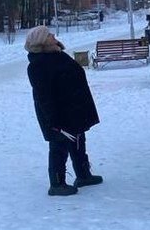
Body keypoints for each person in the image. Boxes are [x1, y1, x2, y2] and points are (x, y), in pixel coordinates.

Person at [25, 26, 103, 197]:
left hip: (74, 110)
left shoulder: (57, 54)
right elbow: (44, 96)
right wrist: (53, 122)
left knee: (78, 141)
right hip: (58, 115)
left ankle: (83, 174)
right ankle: (57, 183)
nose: (53, 36)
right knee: (59, 146)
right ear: (41, 41)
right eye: (49, 35)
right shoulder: (38, 64)